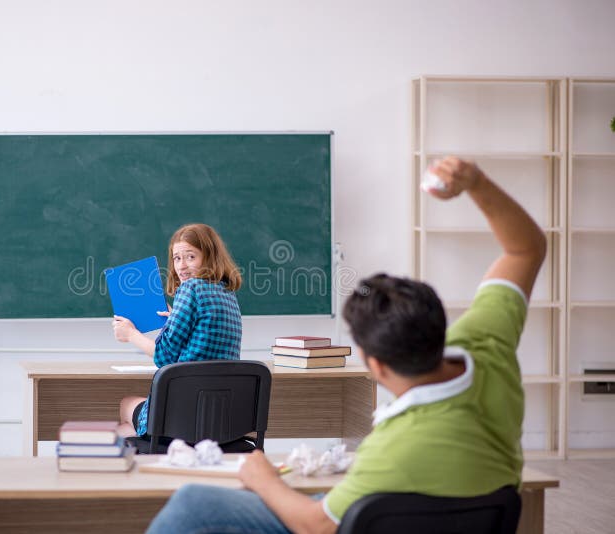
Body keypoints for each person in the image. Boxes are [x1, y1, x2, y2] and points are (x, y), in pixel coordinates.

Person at [146, 156, 547, 534]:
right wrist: (475, 181)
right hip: (454, 512)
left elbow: (316, 525)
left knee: (192, 502)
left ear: (376, 366)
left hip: (352, 520)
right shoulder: (487, 348)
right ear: (438, 322)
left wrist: (263, 478)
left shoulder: (393, 446)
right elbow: (525, 248)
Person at [112, 223, 244, 438]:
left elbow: (164, 357)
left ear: (209, 257)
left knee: (126, 406)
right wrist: (176, 318)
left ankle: (148, 462)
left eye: (190, 257)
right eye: (176, 258)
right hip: (220, 416)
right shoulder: (227, 292)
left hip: (184, 411)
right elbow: (204, 337)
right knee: (130, 430)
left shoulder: (190, 288)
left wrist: (131, 334)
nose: (181, 266)